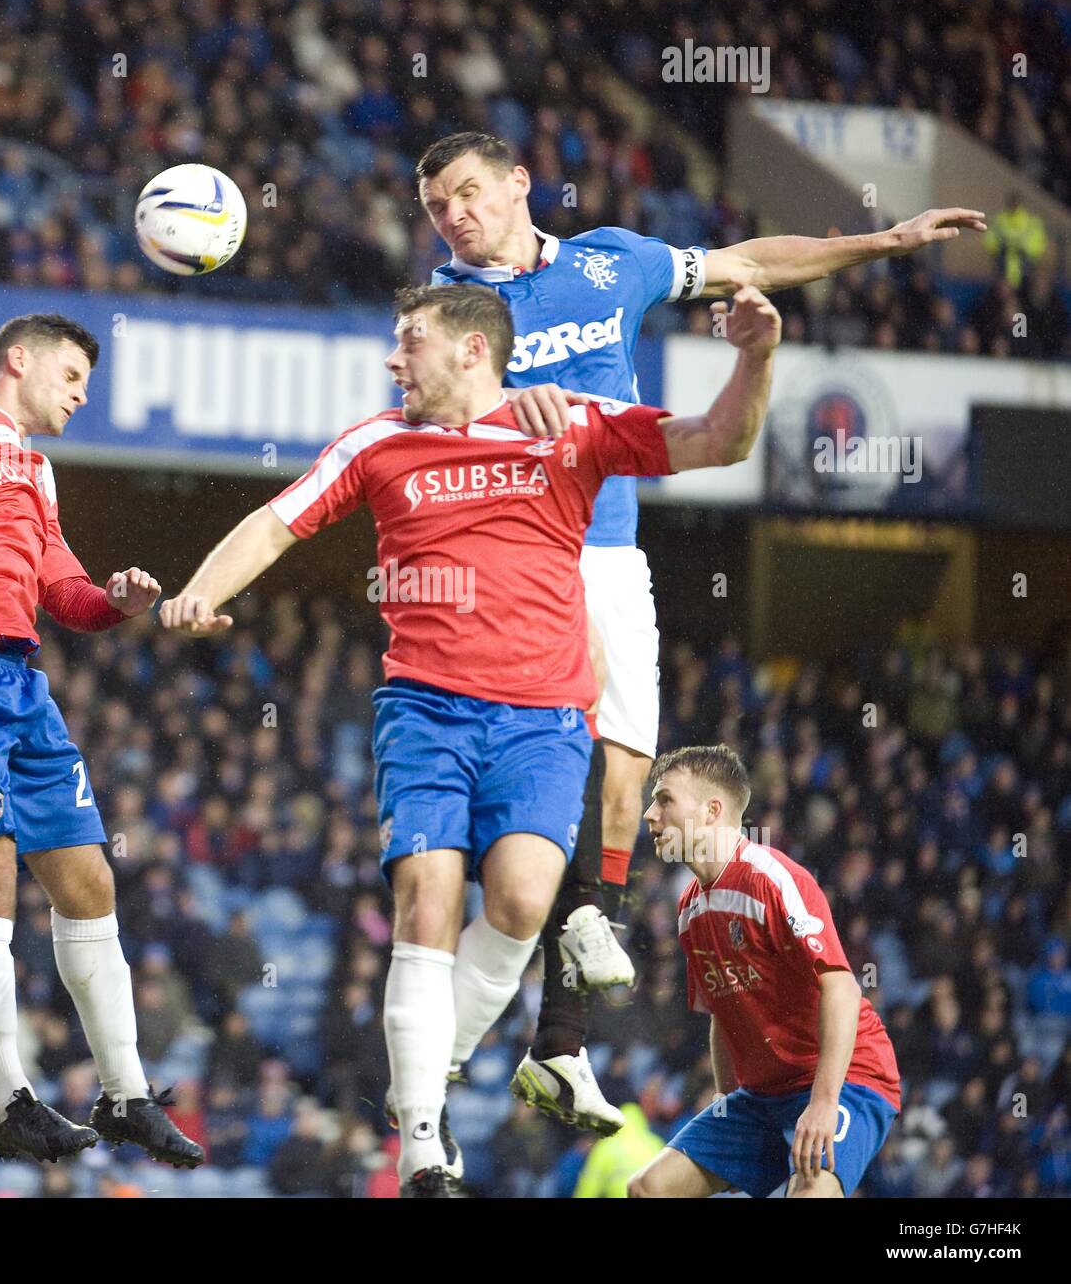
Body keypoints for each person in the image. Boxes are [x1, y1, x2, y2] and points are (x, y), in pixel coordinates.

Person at [161, 281, 781, 1194]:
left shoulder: (570, 426)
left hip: (543, 721)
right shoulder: (378, 441)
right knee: (427, 903)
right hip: (425, 711)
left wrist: (756, 356)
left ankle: (425, 1067)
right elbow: (275, 520)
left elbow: (717, 440)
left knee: (527, 903)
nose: (390, 359)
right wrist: (203, 590)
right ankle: (421, 1146)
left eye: (408, 341)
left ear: (471, 351)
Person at [417, 130, 983, 1132]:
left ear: (514, 185)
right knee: (561, 782)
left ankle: (560, 1045)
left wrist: (884, 242)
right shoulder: (446, 313)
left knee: (629, 780)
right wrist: (502, 406)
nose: (452, 215)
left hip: (612, 549)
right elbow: (420, 431)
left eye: (466, 193)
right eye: (435, 207)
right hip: (520, 559)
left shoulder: (611, 262)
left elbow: (752, 261)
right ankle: (484, 1011)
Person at [0, 313, 202, 1167]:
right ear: (17, 360)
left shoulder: (39, 472)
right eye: (70, 376)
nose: (80, 395)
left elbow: (63, 592)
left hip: (22, 686)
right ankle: (10, 1100)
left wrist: (118, 601)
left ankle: (125, 1092)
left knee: (88, 878)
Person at [628, 745, 901, 1198]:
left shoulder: (772, 878)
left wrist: (823, 1101)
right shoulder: (689, 909)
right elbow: (724, 1013)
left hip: (847, 1077)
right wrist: (725, 1105)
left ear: (712, 810)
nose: (650, 815)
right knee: (648, 1189)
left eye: (664, 800)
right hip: (761, 1098)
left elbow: (843, 988)